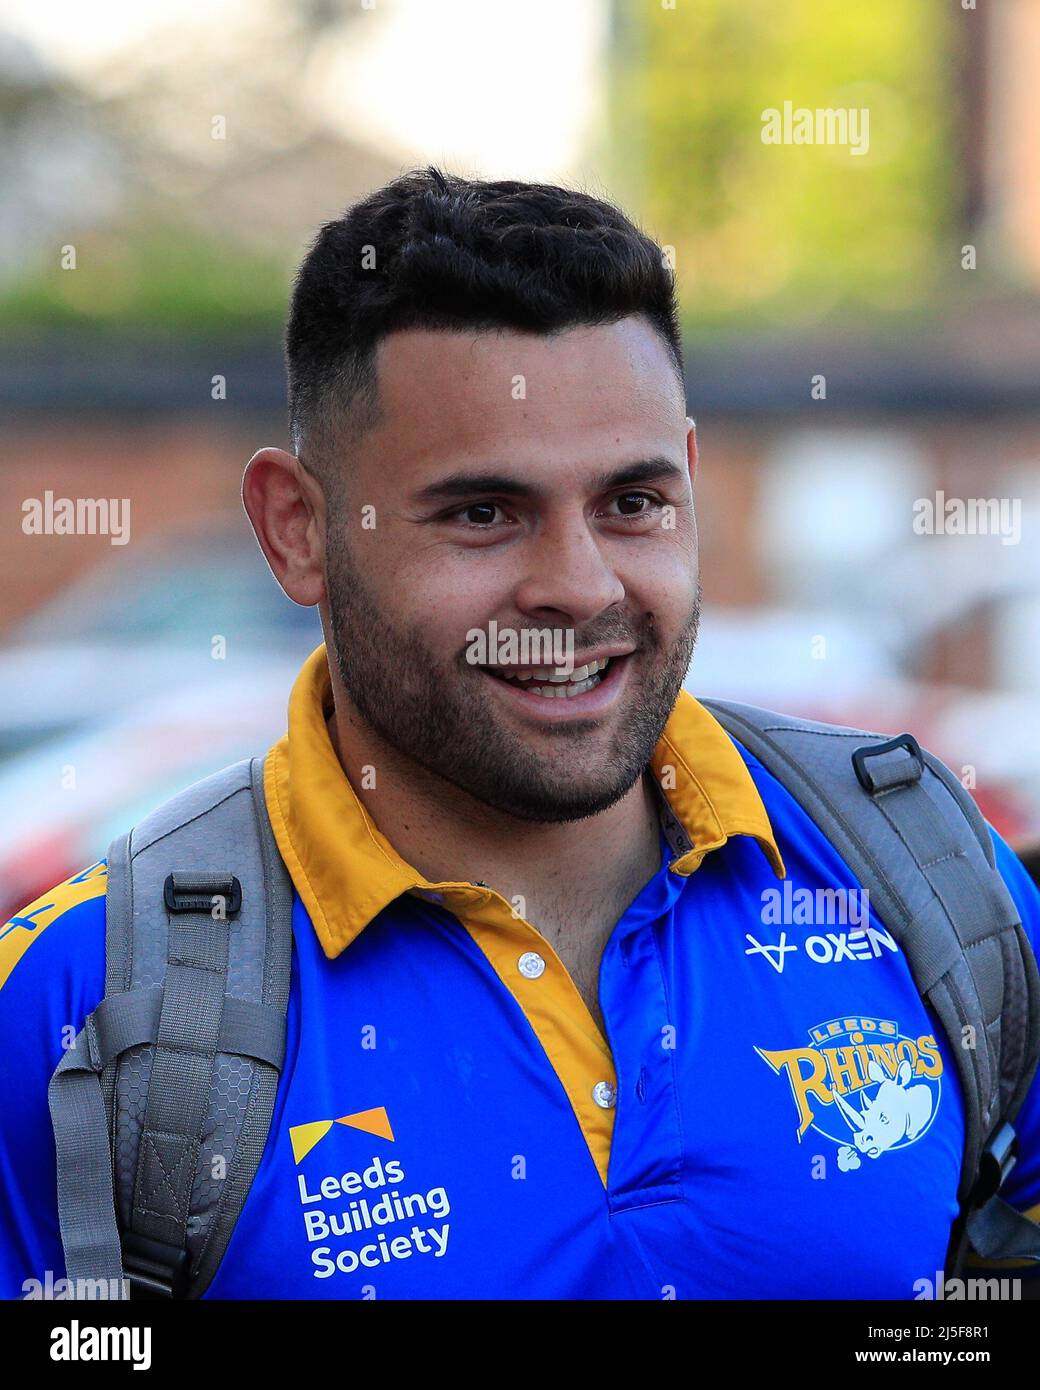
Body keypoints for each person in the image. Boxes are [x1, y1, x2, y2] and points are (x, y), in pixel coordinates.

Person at [3, 167, 1040, 1300]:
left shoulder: (929, 876)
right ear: (297, 529)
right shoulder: (81, 1007)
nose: (576, 586)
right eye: (482, 514)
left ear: (689, 486)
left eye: (630, 503)